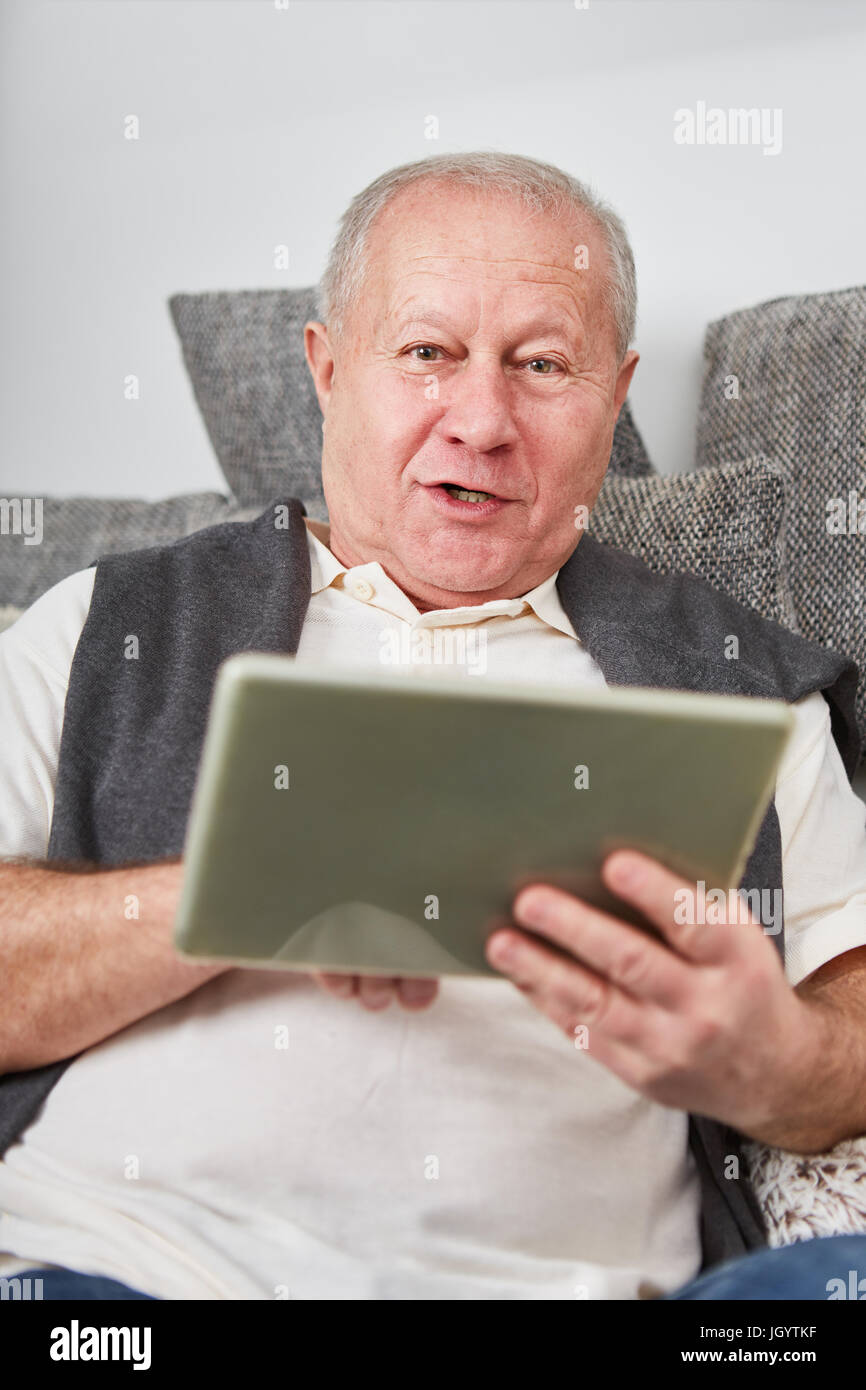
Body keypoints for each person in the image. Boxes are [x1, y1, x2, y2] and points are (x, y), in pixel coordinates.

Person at [1, 151, 865, 1302]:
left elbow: (850, 1029)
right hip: (122, 1280)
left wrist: (774, 1060)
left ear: (613, 394)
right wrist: (250, 884)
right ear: (326, 369)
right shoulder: (105, 625)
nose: (482, 420)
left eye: (541, 364)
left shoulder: (738, 684)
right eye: (426, 353)